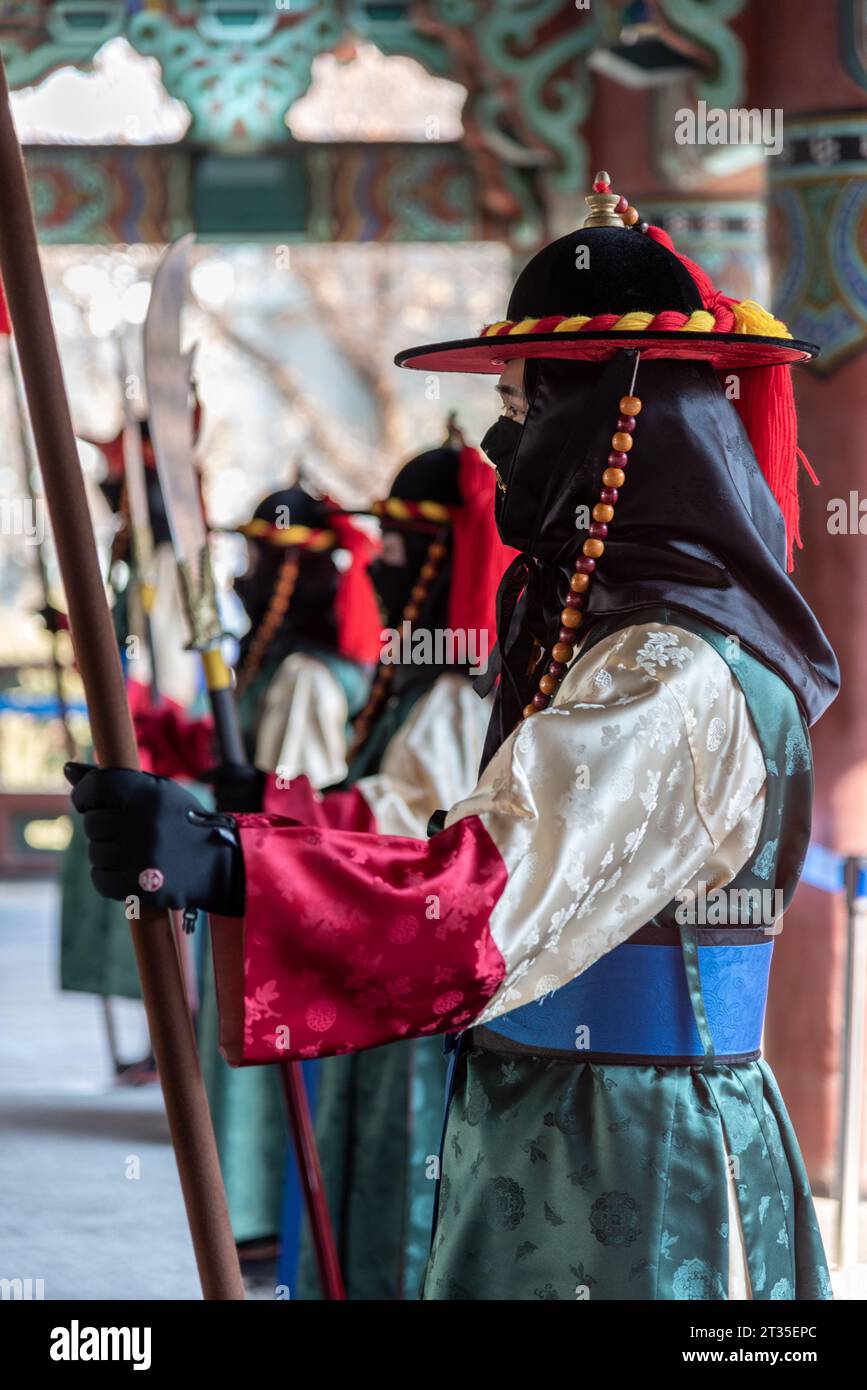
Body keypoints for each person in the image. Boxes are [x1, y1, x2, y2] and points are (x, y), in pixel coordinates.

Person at [68, 174, 839, 1301]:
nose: (501, 444)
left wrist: (239, 866)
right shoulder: (612, 644)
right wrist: (250, 834)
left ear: (615, 424)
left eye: (527, 411)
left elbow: (492, 894)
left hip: (639, 1154)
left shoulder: (674, 671)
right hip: (554, 1115)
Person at [280, 436, 509, 1298]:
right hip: (369, 966)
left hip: (419, 974)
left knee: (402, 1172)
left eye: (403, 549)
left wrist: (292, 818)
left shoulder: (458, 692)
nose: (378, 569)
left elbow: (415, 822)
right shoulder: (410, 682)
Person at [136, 484, 380, 1266]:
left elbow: (304, 805)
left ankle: (264, 1218)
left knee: (264, 1056)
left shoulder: (310, 675)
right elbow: (215, 752)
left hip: (279, 889)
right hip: (248, 874)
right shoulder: (277, 661)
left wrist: (257, 805)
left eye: (258, 554)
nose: (245, 568)